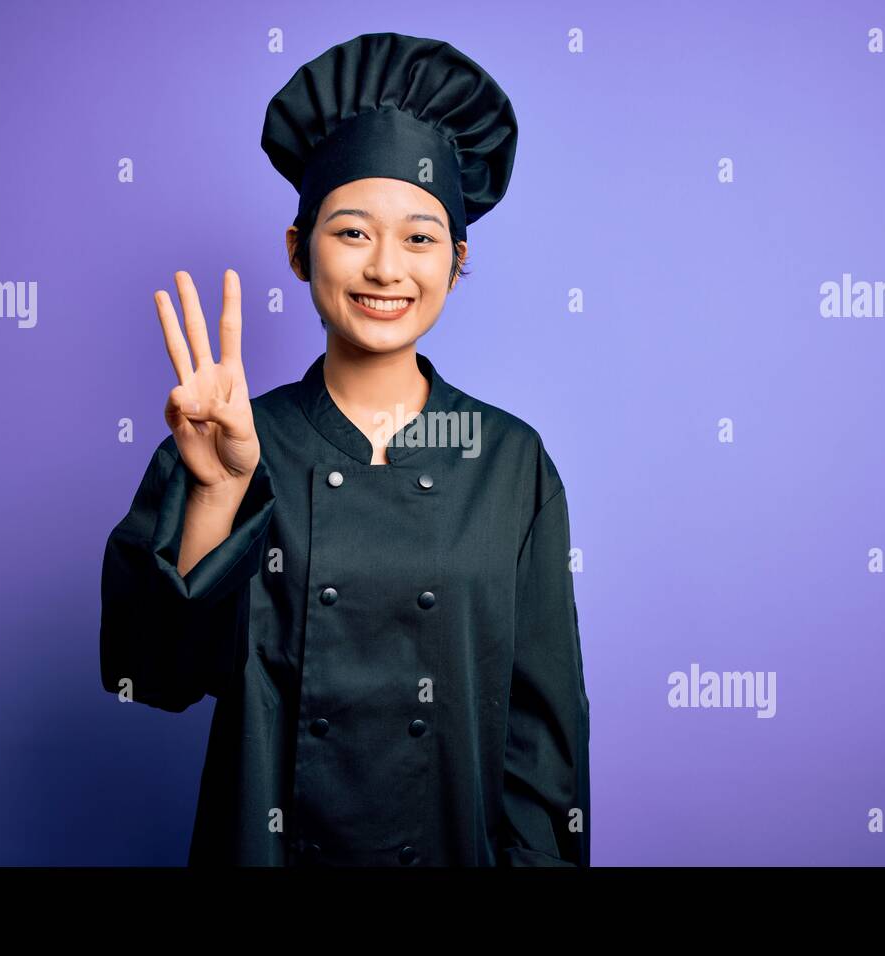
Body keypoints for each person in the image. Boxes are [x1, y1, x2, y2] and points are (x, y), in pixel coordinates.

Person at [99, 32, 590, 866]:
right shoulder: (229, 440)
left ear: (458, 262)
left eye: (422, 238)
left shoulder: (511, 462)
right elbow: (152, 678)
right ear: (298, 250)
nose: (386, 268)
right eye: (352, 232)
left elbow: (543, 748)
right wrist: (217, 493)